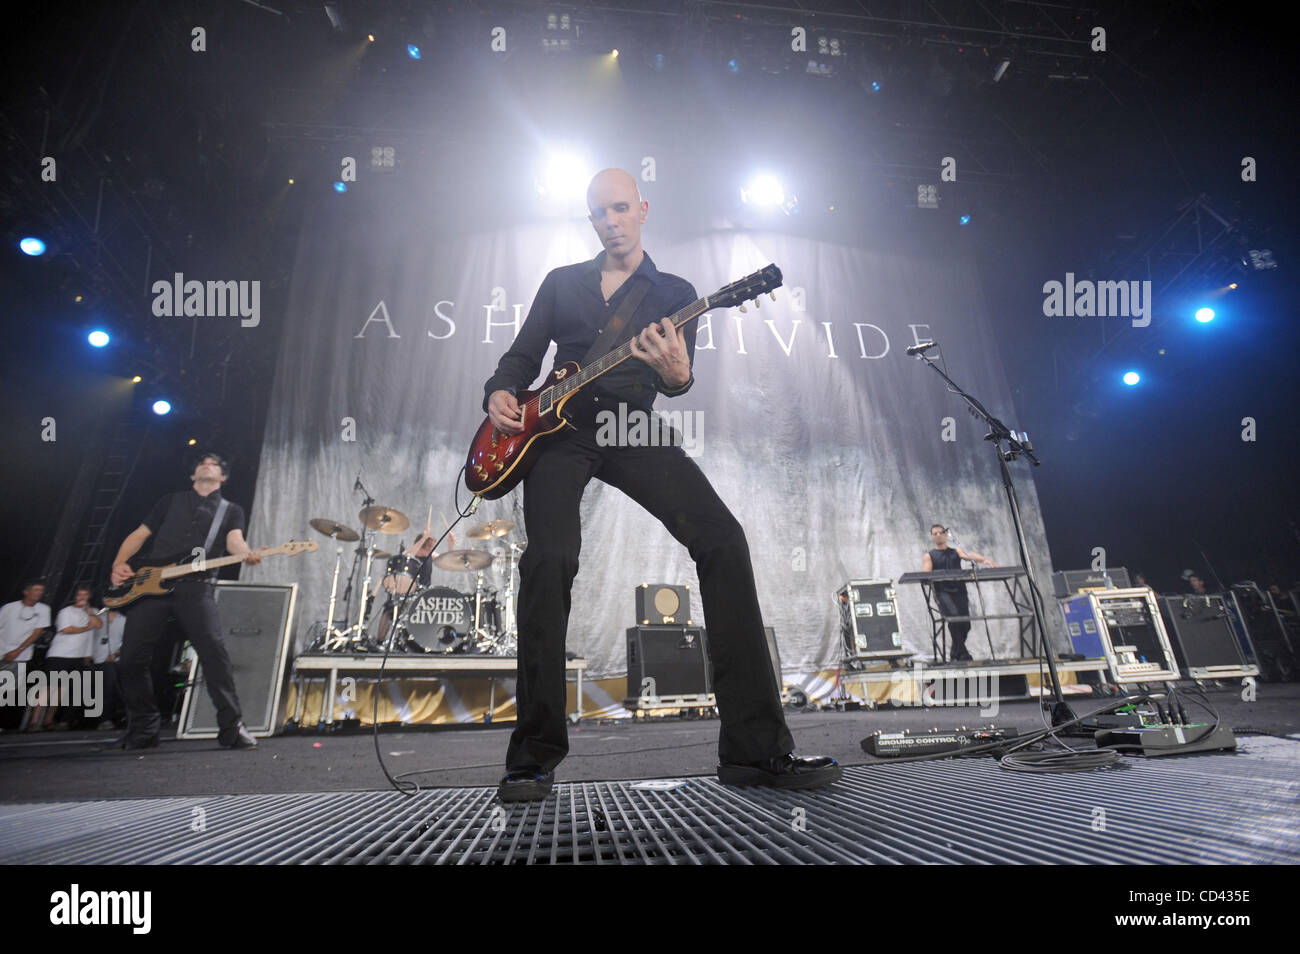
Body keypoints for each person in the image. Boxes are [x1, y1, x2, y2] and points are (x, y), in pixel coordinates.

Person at [482, 168, 840, 801]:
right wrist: (501, 394)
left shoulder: (675, 293)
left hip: (630, 426)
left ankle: (756, 751)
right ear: (590, 219)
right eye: (600, 212)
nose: (612, 220)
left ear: (643, 208)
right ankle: (531, 757)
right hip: (557, 436)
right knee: (549, 560)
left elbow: (678, 380)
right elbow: (520, 357)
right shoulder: (562, 283)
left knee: (723, 540)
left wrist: (677, 374)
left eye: (621, 208)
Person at [109, 453, 264, 750]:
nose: (207, 464)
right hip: (152, 585)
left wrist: (247, 552)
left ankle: (232, 727)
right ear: (192, 475)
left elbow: (235, 541)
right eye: (202, 463)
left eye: (215, 464)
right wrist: (119, 562)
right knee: (130, 658)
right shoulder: (168, 501)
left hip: (196, 586)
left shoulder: (230, 510)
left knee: (214, 655)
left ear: (223, 478)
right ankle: (144, 728)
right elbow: (140, 534)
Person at [920, 524, 996, 662]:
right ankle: (964, 654)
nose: (938, 535)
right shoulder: (929, 555)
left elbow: (969, 555)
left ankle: (955, 654)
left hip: (959, 591)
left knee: (965, 624)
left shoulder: (955, 551)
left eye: (940, 533)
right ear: (932, 537)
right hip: (943, 592)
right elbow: (925, 573)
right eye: (934, 534)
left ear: (945, 534)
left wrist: (985, 560)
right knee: (954, 619)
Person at [30, 584, 99, 730]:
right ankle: (35, 721)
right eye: (80, 595)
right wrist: (87, 627)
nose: (82, 598)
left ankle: (48, 721)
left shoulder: (92, 612)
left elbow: (98, 624)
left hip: (77, 656)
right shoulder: (66, 611)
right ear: (75, 597)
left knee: (62, 689)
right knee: (48, 688)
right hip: (60, 654)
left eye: (85, 595)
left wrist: (88, 611)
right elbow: (67, 629)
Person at [0, 580, 51, 731]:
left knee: (8, 691)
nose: (38, 593)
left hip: (20, 656)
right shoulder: (9, 608)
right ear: (26, 591)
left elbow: (37, 633)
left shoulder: (43, 609)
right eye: (35, 590)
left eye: (41, 590)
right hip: (2, 652)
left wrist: (17, 651)